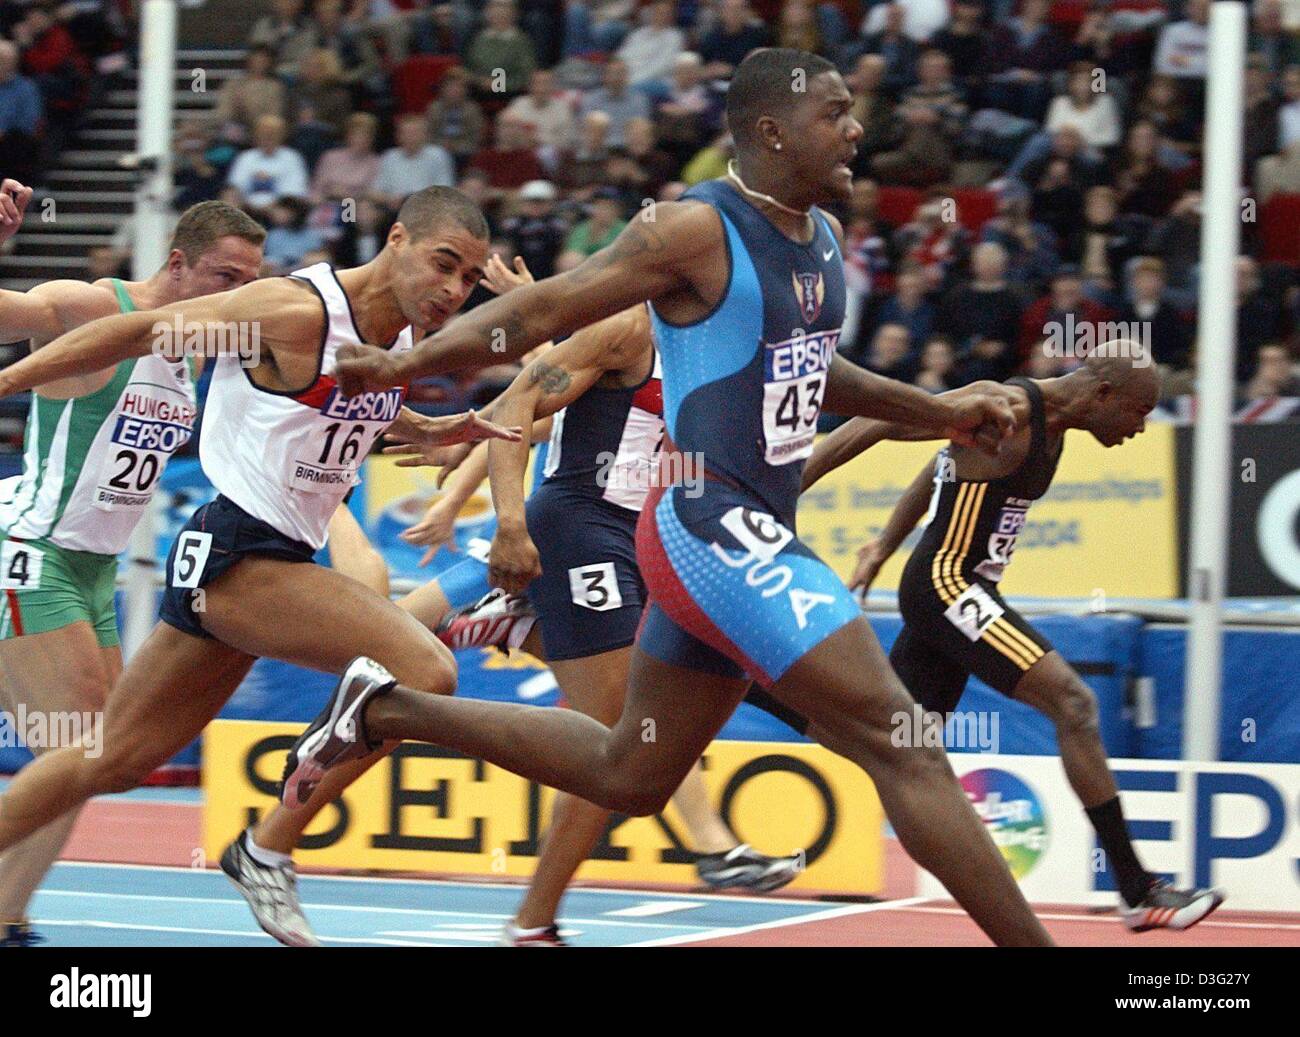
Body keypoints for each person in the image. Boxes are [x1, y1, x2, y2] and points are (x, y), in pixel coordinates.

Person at [286, 49, 1054, 946]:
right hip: (708, 526)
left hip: (733, 533)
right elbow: (544, 314)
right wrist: (409, 364)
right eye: (836, 113)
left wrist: (936, 408)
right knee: (902, 742)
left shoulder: (824, 242)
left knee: (631, 771)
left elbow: (815, 370)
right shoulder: (693, 230)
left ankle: (384, 709)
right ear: (772, 131)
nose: (857, 129)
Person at [0, 188, 521, 948]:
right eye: (444, 264)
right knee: (424, 666)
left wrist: (427, 425)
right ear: (398, 238)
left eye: (470, 278)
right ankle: (268, 846)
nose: (454, 289)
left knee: (106, 757)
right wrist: (7, 384)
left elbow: (346, 400)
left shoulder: (400, 335)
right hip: (228, 557)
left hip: (222, 562)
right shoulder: (290, 310)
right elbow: (136, 329)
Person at [805, 346, 1225, 932]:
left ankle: (741, 680)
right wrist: (791, 484)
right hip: (946, 586)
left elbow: (939, 468)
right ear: (1102, 394)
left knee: (895, 744)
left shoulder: (1046, 428)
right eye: (1139, 411)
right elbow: (874, 418)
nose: (1141, 427)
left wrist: (883, 543)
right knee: (1073, 703)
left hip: (954, 592)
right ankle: (1137, 887)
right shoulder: (1006, 406)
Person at [0, 193, 266, 947]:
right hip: (29, 554)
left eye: (247, 281)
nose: (235, 296)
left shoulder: (195, 347)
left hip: (92, 573)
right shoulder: (91, 308)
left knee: (100, 758)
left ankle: (9, 918)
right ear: (176, 263)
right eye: (223, 276)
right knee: (81, 747)